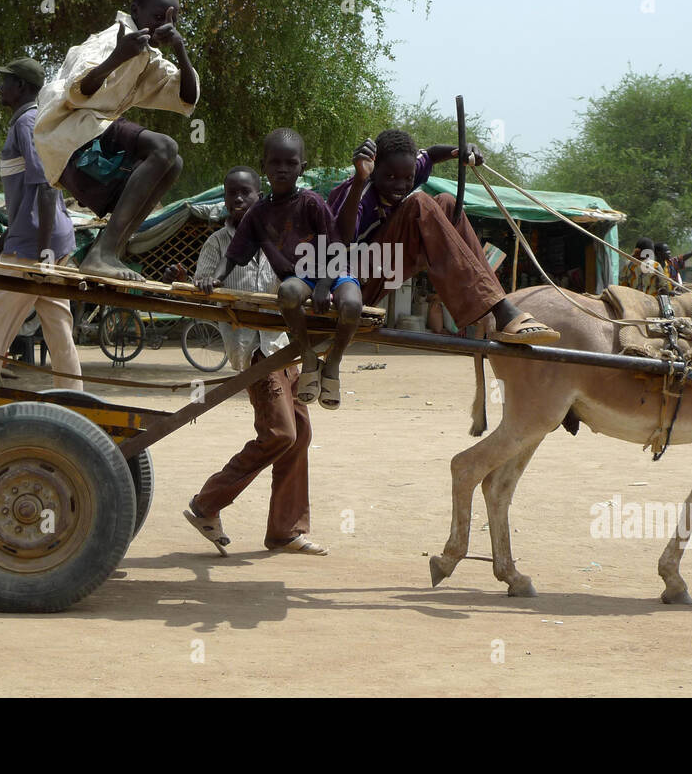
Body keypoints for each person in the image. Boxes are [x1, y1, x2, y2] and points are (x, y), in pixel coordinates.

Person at [183, 165, 326, 556]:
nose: (239, 200)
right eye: (232, 193)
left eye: (246, 193)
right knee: (280, 433)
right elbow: (204, 283)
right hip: (254, 353)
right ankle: (206, 504)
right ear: (225, 198)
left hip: (285, 346)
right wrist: (205, 283)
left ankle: (285, 530)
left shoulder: (277, 236)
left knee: (300, 435)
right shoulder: (217, 243)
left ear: (259, 194)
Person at [32, 0, 199, 280]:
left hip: (89, 136)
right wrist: (117, 57)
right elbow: (77, 90)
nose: (165, 25)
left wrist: (180, 48)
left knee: (173, 164)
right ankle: (103, 252)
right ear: (136, 11)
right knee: (164, 148)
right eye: (158, 17)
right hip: (66, 131)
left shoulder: (149, 56)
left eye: (173, 19)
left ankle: (109, 251)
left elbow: (186, 96)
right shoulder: (111, 40)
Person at [327, 129, 559, 344]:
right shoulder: (358, 191)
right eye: (390, 177)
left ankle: (497, 306)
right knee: (420, 203)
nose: (400, 186)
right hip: (347, 280)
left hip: (385, 265)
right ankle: (501, 309)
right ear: (373, 168)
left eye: (407, 178)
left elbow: (431, 153)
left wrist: (460, 150)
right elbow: (339, 243)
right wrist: (359, 179)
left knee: (447, 202)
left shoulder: (405, 170)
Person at [198, 129, 362, 410]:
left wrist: (324, 285)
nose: (282, 169)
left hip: (334, 270)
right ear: (264, 166)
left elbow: (336, 248)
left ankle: (333, 363)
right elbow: (233, 255)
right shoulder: (258, 213)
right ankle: (309, 357)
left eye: (290, 163)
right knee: (287, 291)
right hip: (302, 277)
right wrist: (215, 278)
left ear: (302, 167)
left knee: (351, 304)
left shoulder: (311, 202)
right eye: (275, 162)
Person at [0, 57, 83, 390]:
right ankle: (77, 411)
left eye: (6, 81)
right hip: (51, 241)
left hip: (35, 247)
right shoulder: (33, 121)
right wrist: (2, 243)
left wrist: (41, 253)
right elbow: (29, 198)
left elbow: (45, 185)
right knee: (58, 329)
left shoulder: (25, 123)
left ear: (22, 87)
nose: (0, 87)